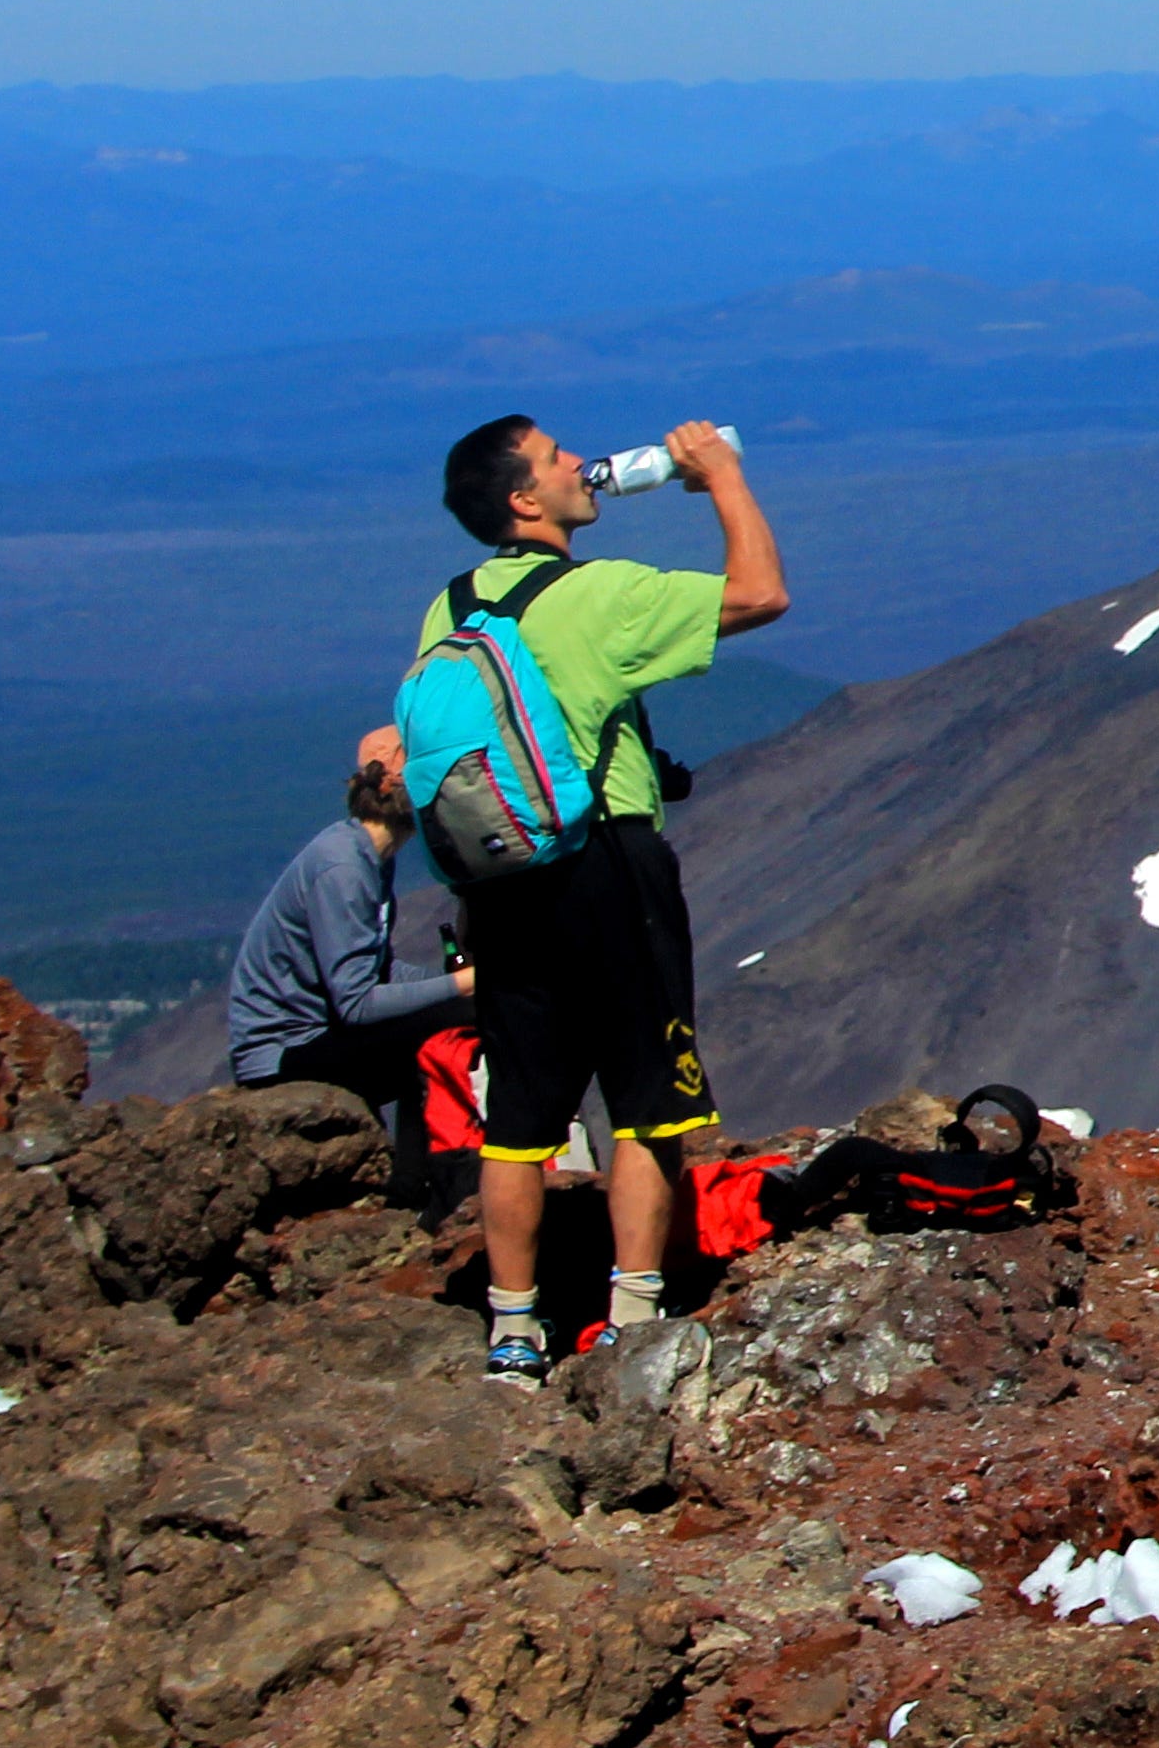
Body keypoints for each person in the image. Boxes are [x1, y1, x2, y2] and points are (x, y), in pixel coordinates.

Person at [422, 414, 787, 1382]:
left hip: (501, 881)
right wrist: (718, 478)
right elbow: (760, 592)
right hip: (609, 868)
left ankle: (512, 1326)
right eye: (554, 459)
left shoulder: (449, 607)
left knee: (521, 1120)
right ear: (524, 499)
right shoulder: (599, 595)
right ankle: (632, 1316)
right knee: (645, 1106)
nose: (581, 465)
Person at [221, 741, 480, 1203]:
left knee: (456, 1013)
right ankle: (429, 1190)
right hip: (283, 1057)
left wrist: (458, 983)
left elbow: (378, 970)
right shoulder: (343, 866)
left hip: (314, 1038)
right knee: (455, 1025)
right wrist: (461, 986)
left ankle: (417, 1185)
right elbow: (358, 1003)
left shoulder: (367, 857)